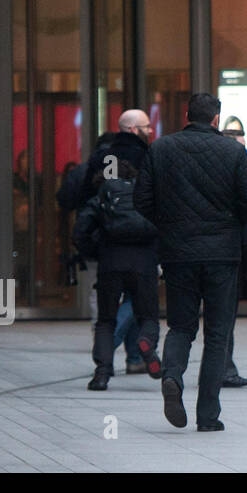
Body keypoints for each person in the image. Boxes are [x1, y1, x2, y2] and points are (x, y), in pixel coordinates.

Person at [135, 93, 247, 432]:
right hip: (223, 255)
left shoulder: (160, 149)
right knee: (218, 334)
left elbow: (141, 199)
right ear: (217, 119)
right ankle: (208, 415)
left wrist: (169, 224)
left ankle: (172, 375)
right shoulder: (234, 151)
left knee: (181, 326)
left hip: (178, 253)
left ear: (187, 114)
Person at [77, 160, 161, 390]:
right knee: (148, 317)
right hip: (144, 264)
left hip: (110, 263)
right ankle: (146, 343)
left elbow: (81, 230)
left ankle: (102, 374)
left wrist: (95, 252)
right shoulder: (144, 197)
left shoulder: (102, 199)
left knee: (106, 320)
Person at [219, 119, 247, 389]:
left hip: (199, 250)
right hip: (228, 250)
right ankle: (223, 370)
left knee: (191, 322)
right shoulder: (232, 162)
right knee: (223, 315)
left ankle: (176, 371)